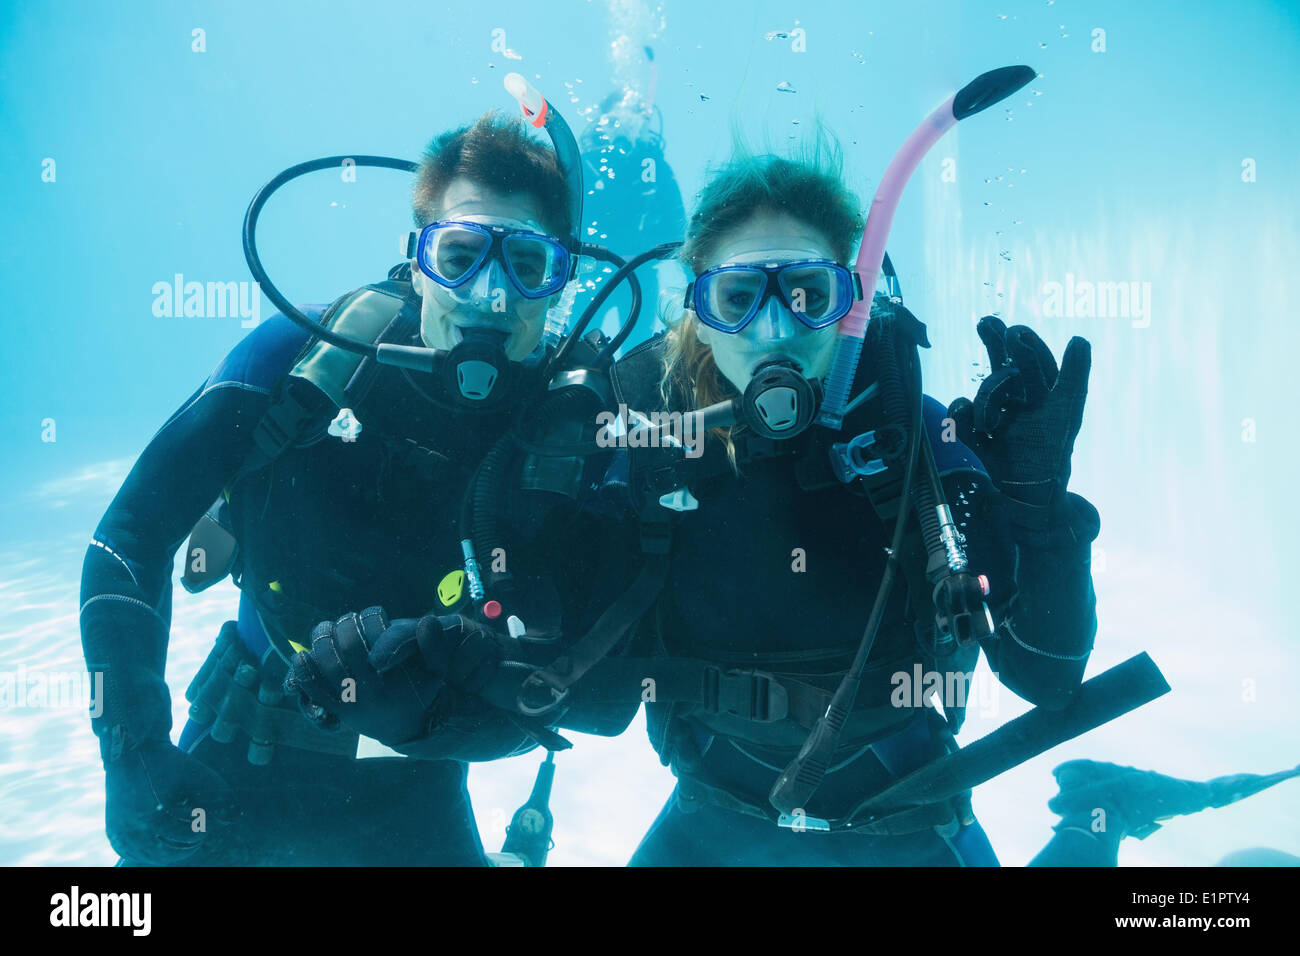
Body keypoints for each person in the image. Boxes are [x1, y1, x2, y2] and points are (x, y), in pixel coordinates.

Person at [79, 109, 603, 866]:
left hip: (414, 782)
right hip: (236, 742)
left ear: (560, 281)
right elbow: (129, 538)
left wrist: (449, 712)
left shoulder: (576, 424)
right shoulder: (305, 360)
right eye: (458, 255)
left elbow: (595, 668)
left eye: (526, 264)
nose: (489, 295)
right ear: (416, 260)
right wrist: (130, 751)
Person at [593, 137, 1103, 865]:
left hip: (908, 820)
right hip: (711, 819)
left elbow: (1048, 677)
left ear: (853, 306)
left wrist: (1036, 513)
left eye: (810, 294)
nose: (776, 329)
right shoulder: (648, 448)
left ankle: (1097, 813)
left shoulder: (914, 439)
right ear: (699, 314)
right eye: (738, 299)